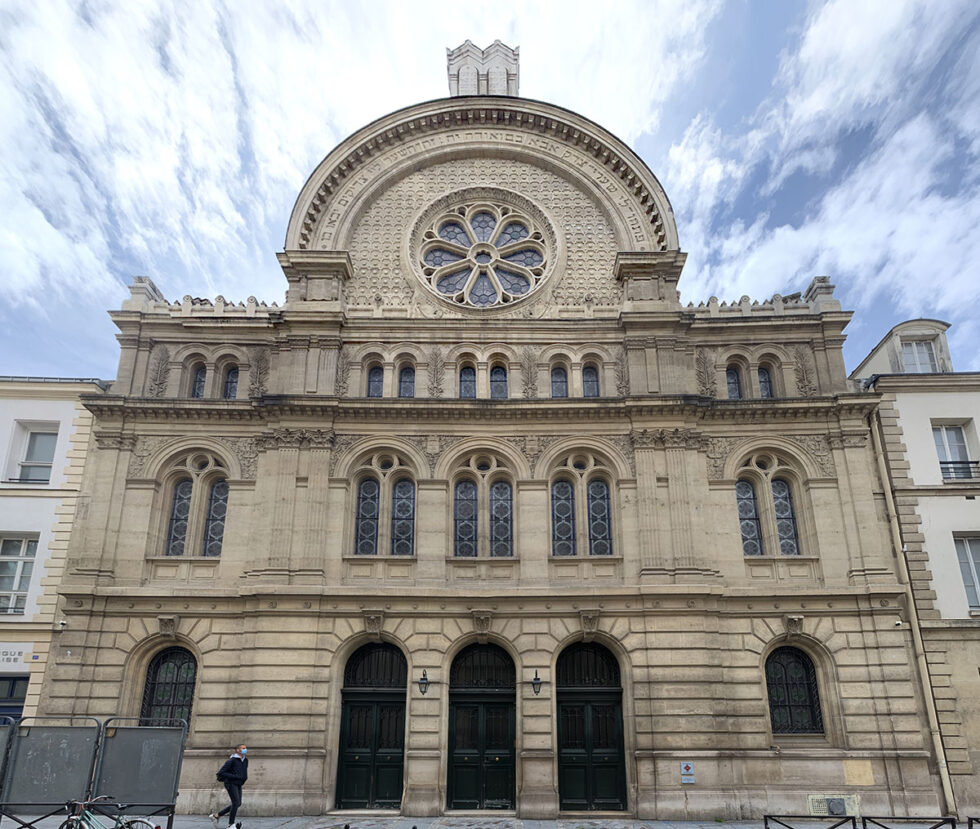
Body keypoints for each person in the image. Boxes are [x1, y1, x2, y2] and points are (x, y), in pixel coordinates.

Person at [210, 744, 248, 828]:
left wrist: (243, 779)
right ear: (237, 750)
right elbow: (221, 773)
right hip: (231, 783)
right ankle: (231, 824)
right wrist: (235, 776)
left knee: (238, 803)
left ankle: (216, 815)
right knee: (236, 802)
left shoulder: (245, 760)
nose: (245, 750)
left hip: (238, 783)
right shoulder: (232, 760)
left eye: (245, 748)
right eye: (243, 748)